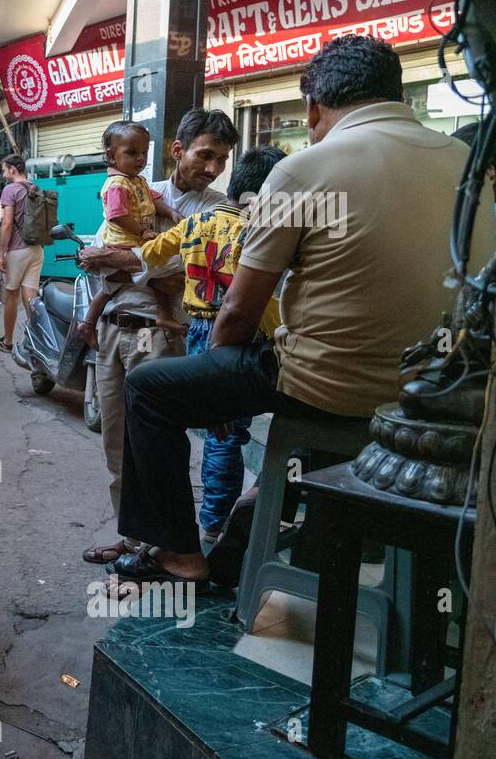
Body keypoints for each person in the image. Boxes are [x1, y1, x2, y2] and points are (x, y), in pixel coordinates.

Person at [106, 34, 493, 586]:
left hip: (327, 390)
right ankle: (282, 522)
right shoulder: (467, 162)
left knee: (149, 389)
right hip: (432, 397)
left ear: (314, 106)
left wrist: (217, 388)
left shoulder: (304, 168)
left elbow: (238, 313)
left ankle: (178, 553)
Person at [81, 145, 285, 544]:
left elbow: (149, 254)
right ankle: (215, 520)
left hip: (197, 332)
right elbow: (256, 302)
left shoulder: (195, 223)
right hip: (240, 337)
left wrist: (108, 255)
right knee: (228, 432)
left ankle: (186, 530)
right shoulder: (258, 230)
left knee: (211, 426)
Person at [77, 108, 239, 565]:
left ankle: (165, 541)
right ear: (177, 151)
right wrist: (121, 261)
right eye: (205, 155)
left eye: (221, 160)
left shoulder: (218, 210)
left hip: (159, 336)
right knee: (116, 441)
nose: (212, 168)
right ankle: (130, 536)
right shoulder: (140, 190)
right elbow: (100, 249)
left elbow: (183, 278)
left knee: (156, 445)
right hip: (113, 328)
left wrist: (121, 262)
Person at [76, 121, 185, 349]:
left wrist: (173, 213)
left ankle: (89, 322)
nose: (140, 158)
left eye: (144, 152)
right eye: (132, 152)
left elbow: (155, 201)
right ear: (112, 156)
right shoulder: (117, 184)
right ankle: (89, 323)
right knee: (149, 275)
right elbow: (117, 216)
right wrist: (144, 231)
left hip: (131, 245)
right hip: (119, 245)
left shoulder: (137, 181)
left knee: (126, 283)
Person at [0, 154, 44, 352]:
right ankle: (37, 340)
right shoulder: (36, 187)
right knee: (30, 299)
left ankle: (7, 342)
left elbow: (7, 223)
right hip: (37, 249)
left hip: (17, 250)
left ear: (13, 169)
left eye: (4, 169)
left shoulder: (10, 189)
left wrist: (2, 251)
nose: (3, 173)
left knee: (11, 297)